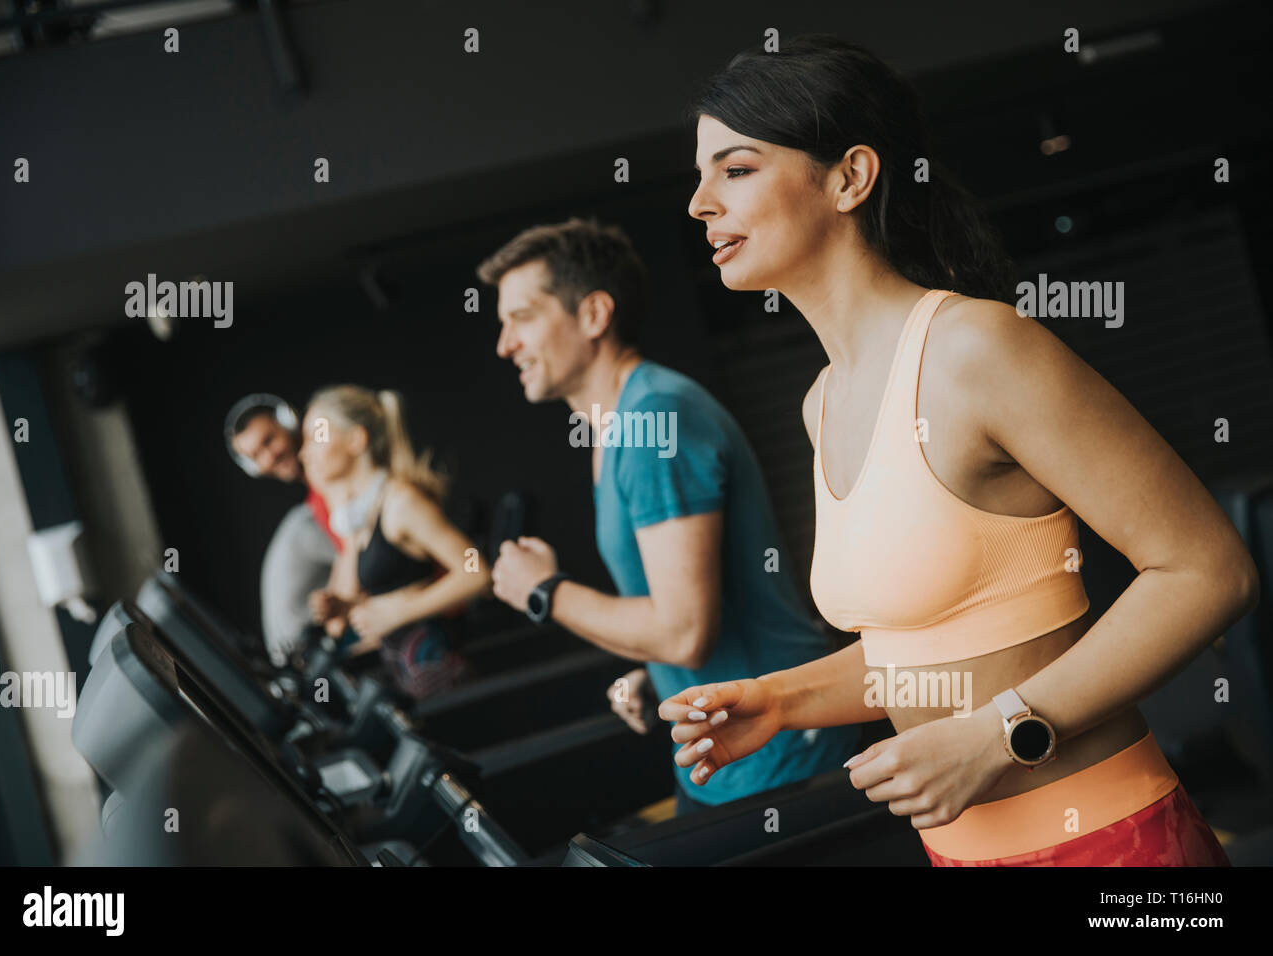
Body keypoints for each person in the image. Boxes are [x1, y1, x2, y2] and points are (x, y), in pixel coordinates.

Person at [660, 35, 1258, 864]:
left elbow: (1208, 570)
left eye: (735, 169)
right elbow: (931, 650)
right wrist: (782, 700)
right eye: (699, 175)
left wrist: (1000, 736)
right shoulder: (822, 400)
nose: (698, 204)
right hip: (961, 856)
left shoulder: (977, 350)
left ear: (848, 177)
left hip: (1111, 845)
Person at [478, 217, 860, 814]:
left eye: (522, 317)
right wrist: (658, 676)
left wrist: (544, 591)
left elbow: (685, 631)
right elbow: (683, 624)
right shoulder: (621, 425)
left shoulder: (655, 421)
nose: (505, 344)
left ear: (593, 314)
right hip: (726, 759)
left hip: (783, 761)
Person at [299, 385, 490, 699]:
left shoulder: (400, 502)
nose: (304, 452)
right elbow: (365, 609)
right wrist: (342, 606)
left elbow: (476, 570)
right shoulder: (362, 515)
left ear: (356, 440)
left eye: (315, 436)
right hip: (406, 673)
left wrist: (402, 612)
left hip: (438, 673)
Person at [225, 394, 341, 666]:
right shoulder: (315, 500)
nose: (269, 456)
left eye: (269, 440)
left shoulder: (332, 476)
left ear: (289, 421)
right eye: (255, 456)